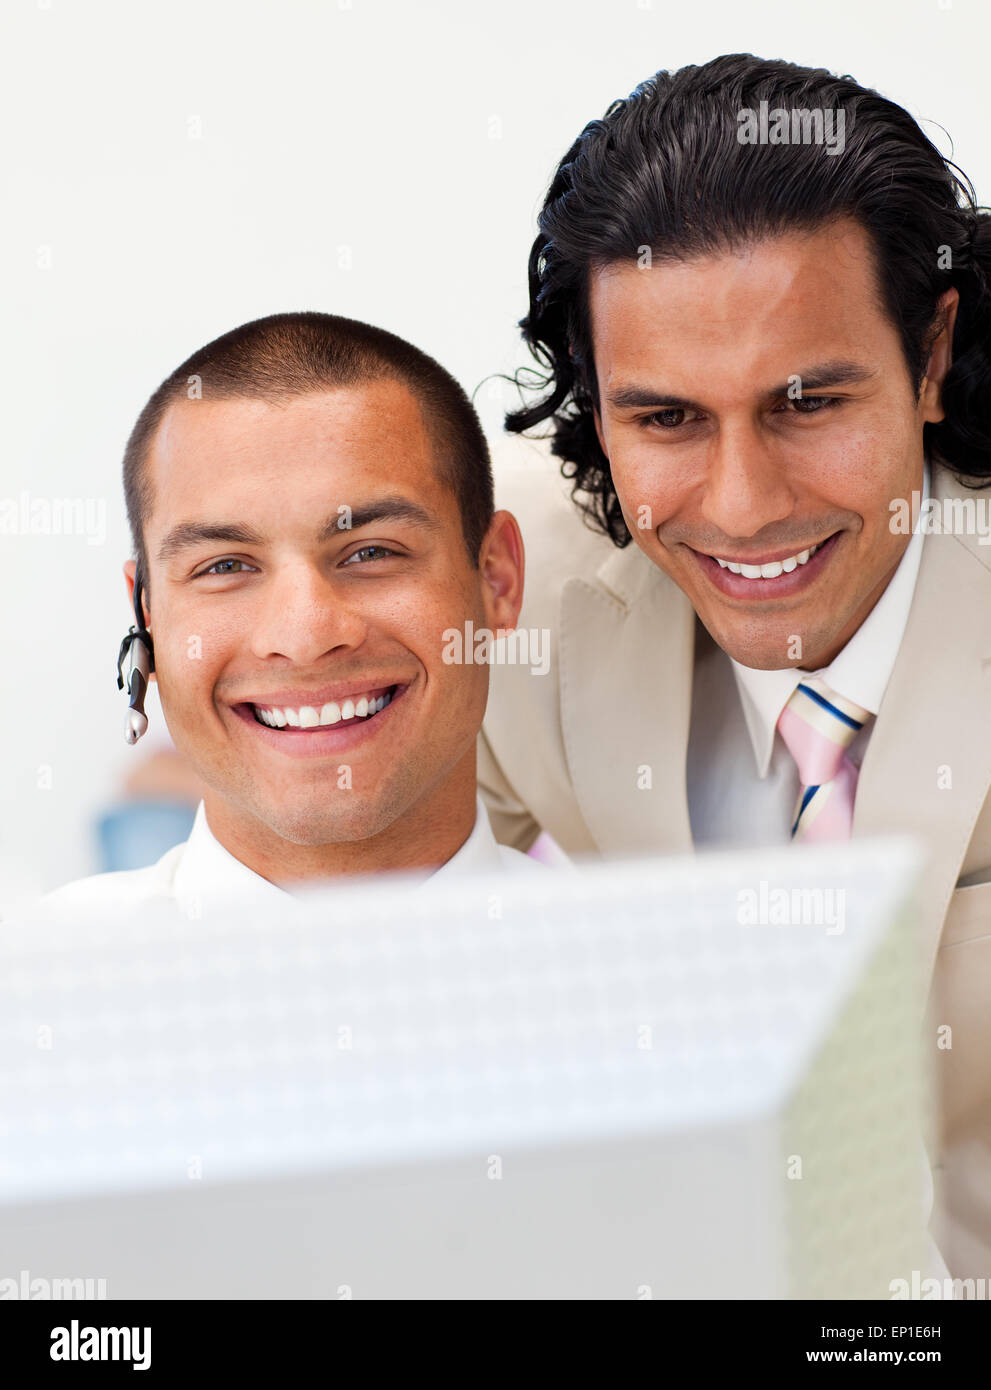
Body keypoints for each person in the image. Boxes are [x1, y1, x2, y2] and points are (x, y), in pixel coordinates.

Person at [478, 54, 991, 1279]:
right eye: (664, 419)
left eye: (807, 402)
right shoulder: (504, 594)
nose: (744, 505)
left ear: (929, 358)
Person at [43, 310, 538, 919]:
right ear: (147, 618)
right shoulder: (34, 981)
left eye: (372, 552)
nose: (304, 637)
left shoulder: (650, 969)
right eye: (225, 567)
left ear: (496, 580)